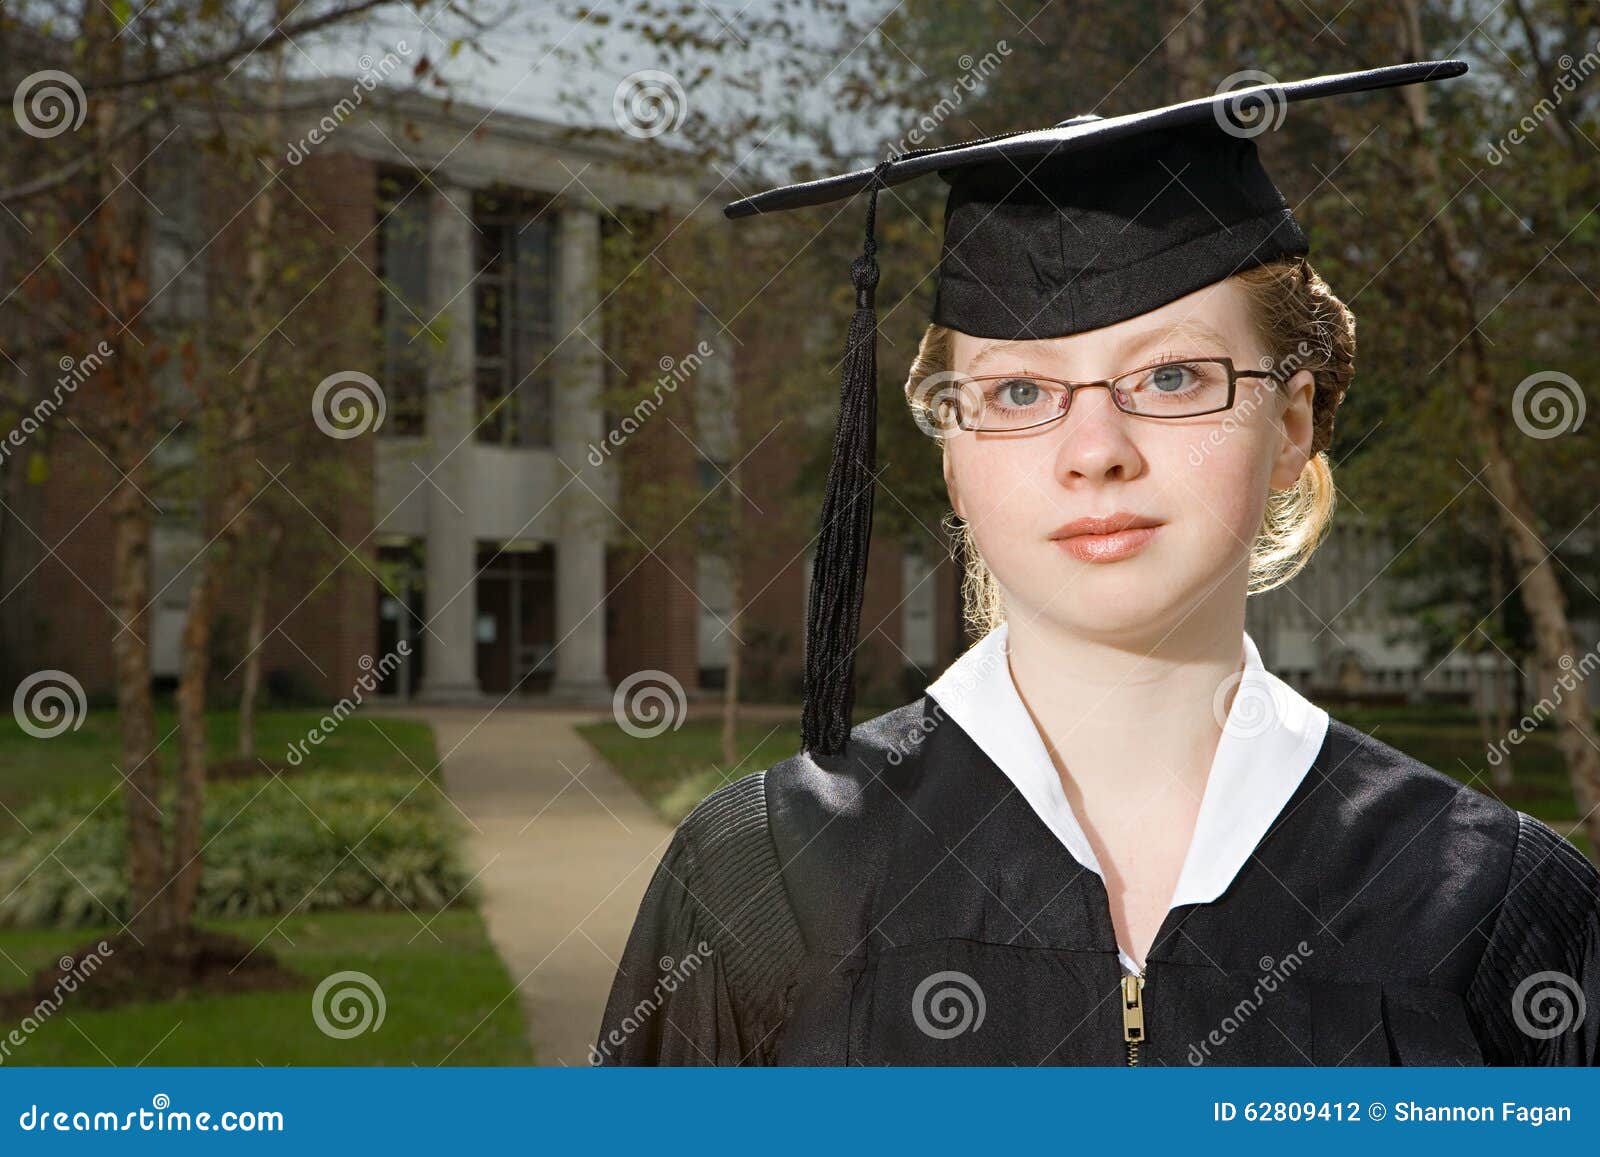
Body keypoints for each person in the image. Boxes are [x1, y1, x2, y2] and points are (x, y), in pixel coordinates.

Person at [593, 59, 1600, 1066]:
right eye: (1021, 392)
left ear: (1290, 424)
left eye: (1170, 376)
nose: (1093, 449)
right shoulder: (762, 882)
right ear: (952, 455)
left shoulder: (1493, 907)